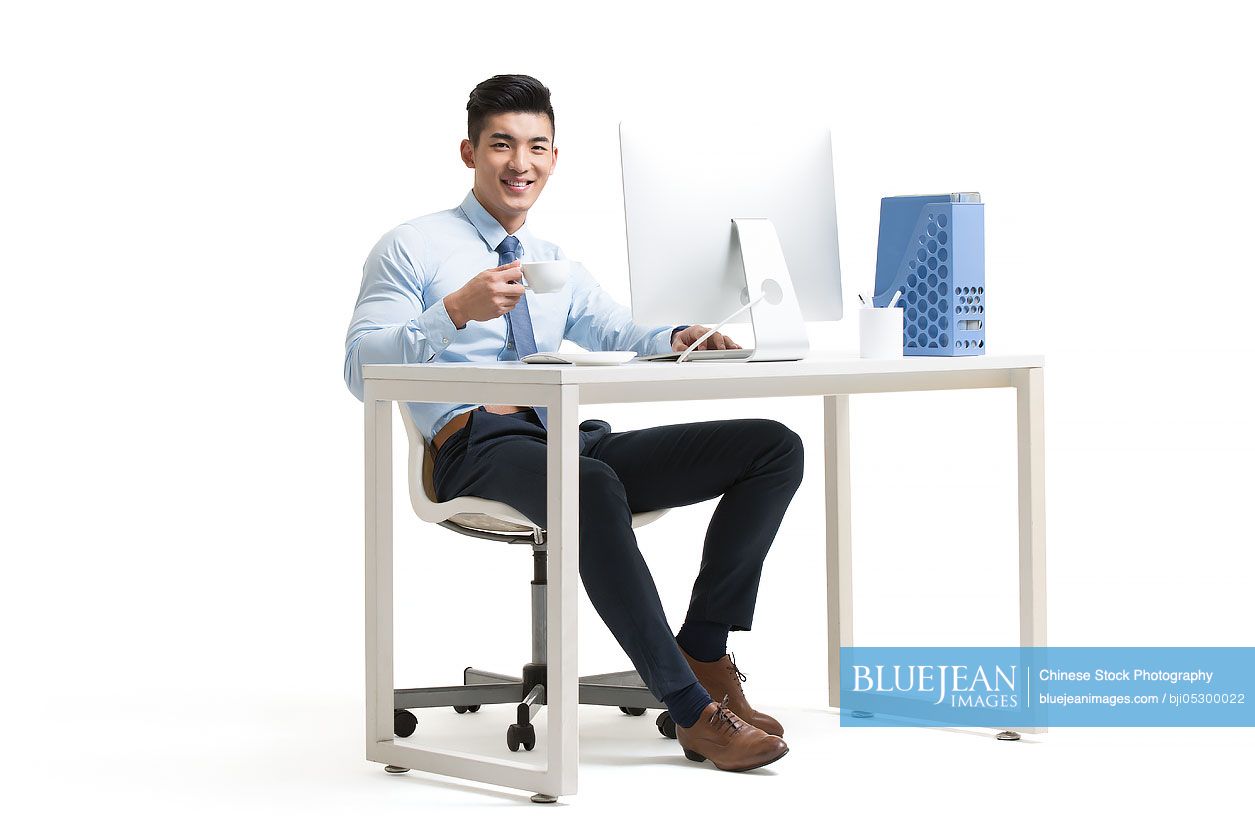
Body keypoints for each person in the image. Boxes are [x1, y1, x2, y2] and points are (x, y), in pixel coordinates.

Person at [344, 74, 804, 772]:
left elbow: (617, 327)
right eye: (501, 144)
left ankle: (703, 649)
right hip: (472, 443)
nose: (518, 163)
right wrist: (454, 311)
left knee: (772, 447)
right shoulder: (411, 247)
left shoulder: (554, 263)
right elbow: (359, 368)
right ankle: (689, 709)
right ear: (469, 152)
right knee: (586, 484)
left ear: (555, 158)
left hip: (567, 438)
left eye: (536, 146)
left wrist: (678, 334)